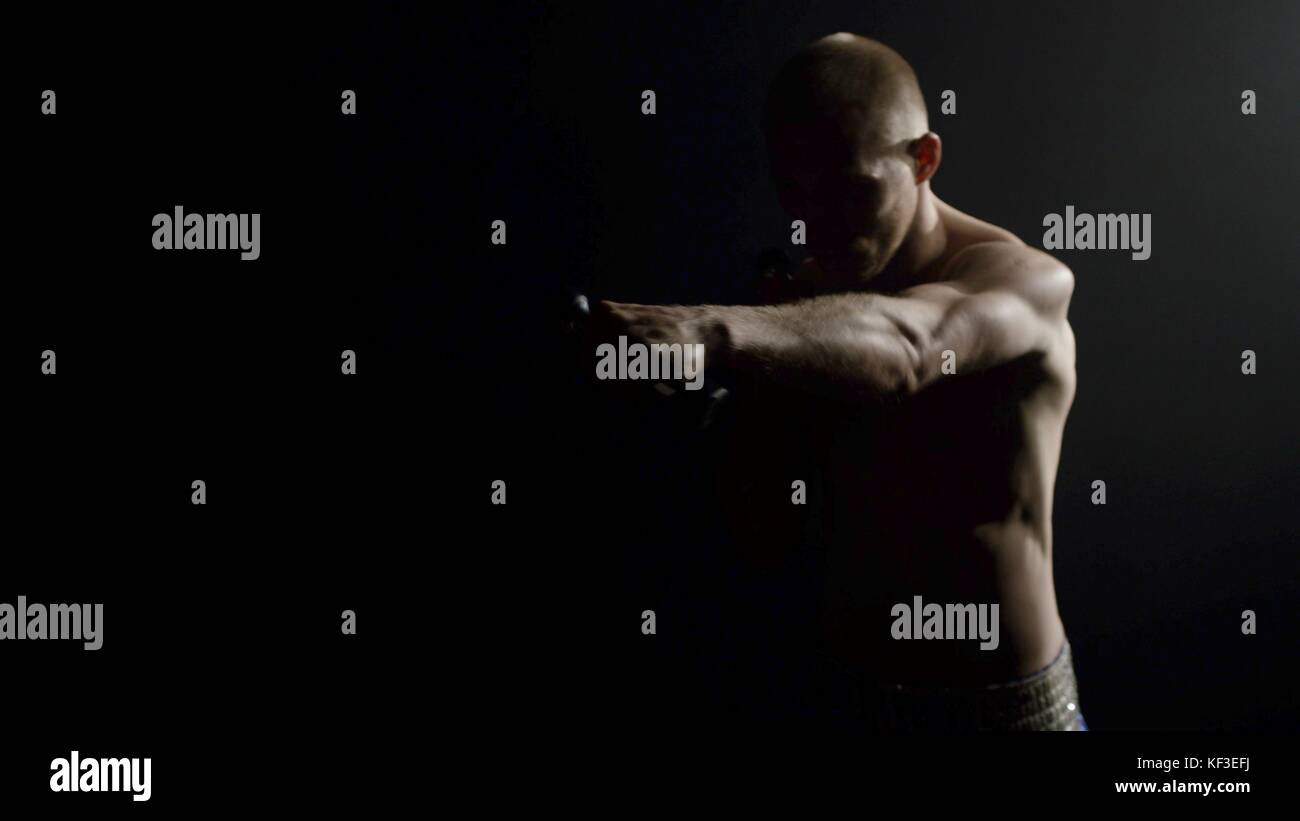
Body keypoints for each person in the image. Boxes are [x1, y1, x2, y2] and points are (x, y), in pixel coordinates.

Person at [595, 33, 1084, 730]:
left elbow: (912, 348)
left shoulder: (1023, 281)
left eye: (853, 192)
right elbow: (766, 523)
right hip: (842, 698)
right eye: (798, 193)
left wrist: (709, 331)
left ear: (923, 159)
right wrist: (705, 409)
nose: (821, 224)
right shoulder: (799, 306)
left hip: (1003, 711)